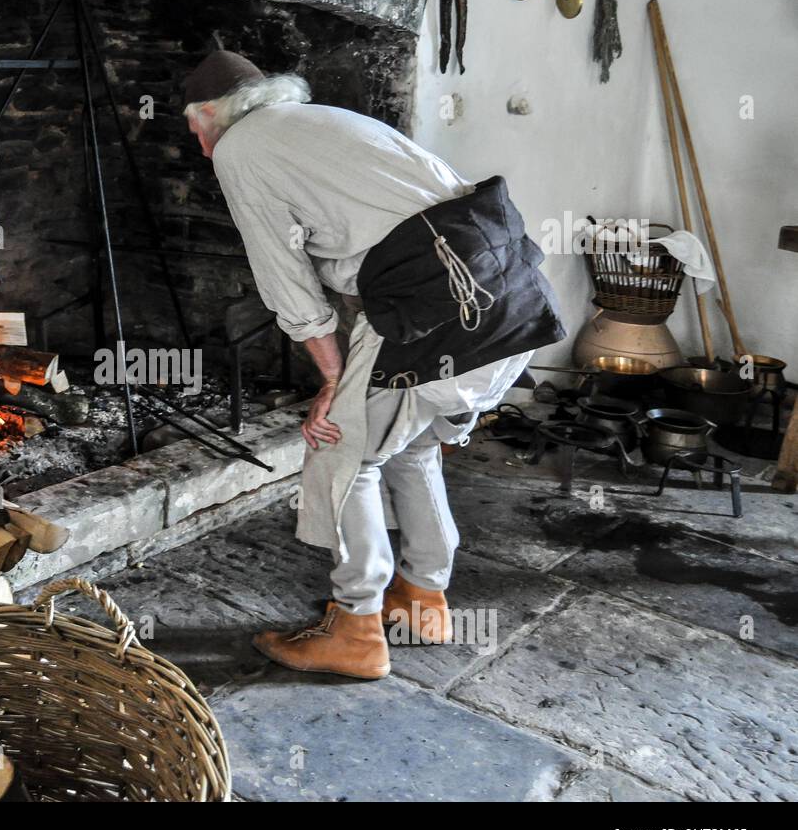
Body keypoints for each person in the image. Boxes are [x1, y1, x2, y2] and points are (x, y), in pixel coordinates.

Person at [183, 51, 565, 680]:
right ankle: (422, 599)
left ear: (208, 115)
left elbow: (288, 283)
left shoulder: (240, 148)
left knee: (342, 453)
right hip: (509, 298)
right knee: (408, 448)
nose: (197, 144)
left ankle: (356, 629)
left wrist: (333, 381)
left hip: (437, 310)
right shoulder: (325, 121)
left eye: (193, 128)